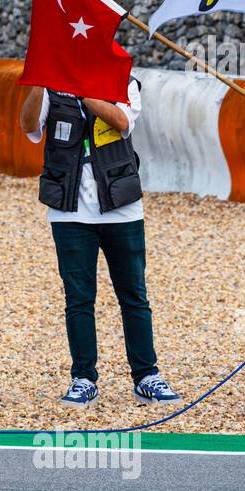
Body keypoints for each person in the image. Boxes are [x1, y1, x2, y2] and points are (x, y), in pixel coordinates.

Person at [19, 77, 180, 407]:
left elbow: (121, 122)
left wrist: (82, 88)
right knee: (78, 298)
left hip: (122, 206)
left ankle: (146, 375)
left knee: (134, 293)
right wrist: (39, 80)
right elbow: (29, 127)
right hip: (69, 211)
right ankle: (83, 378)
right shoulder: (51, 86)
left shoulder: (125, 81)